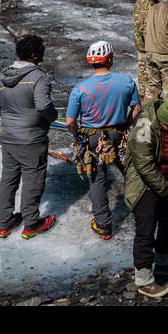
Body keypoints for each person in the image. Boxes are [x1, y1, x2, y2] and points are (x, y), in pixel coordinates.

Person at [65, 40, 141, 239]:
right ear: (111, 59)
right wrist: (126, 125)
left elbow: (70, 121)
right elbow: (137, 109)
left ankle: (104, 225)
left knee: (97, 180)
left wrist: (77, 135)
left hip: (92, 140)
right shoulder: (126, 81)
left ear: (91, 62)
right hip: (119, 135)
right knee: (131, 172)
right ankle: (144, 210)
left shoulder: (80, 88)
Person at [124, 95, 168, 300]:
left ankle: (162, 264)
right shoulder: (144, 127)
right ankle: (144, 279)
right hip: (145, 185)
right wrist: (163, 188)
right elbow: (143, 164)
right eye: (165, 126)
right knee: (146, 230)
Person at [0, 33, 58, 240]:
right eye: (41, 50)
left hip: (8, 137)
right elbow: (44, 105)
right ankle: (31, 223)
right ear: (34, 54)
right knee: (33, 178)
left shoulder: (2, 75)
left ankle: (5, 223)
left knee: (9, 179)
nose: (43, 54)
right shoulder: (39, 77)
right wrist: (52, 118)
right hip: (31, 139)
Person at [132, 0, 165, 101]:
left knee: (143, 70)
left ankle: (143, 94)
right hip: (146, 44)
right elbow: (143, 27)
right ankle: (145, 98)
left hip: (142, 43)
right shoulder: (148, 5)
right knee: (147, 71)